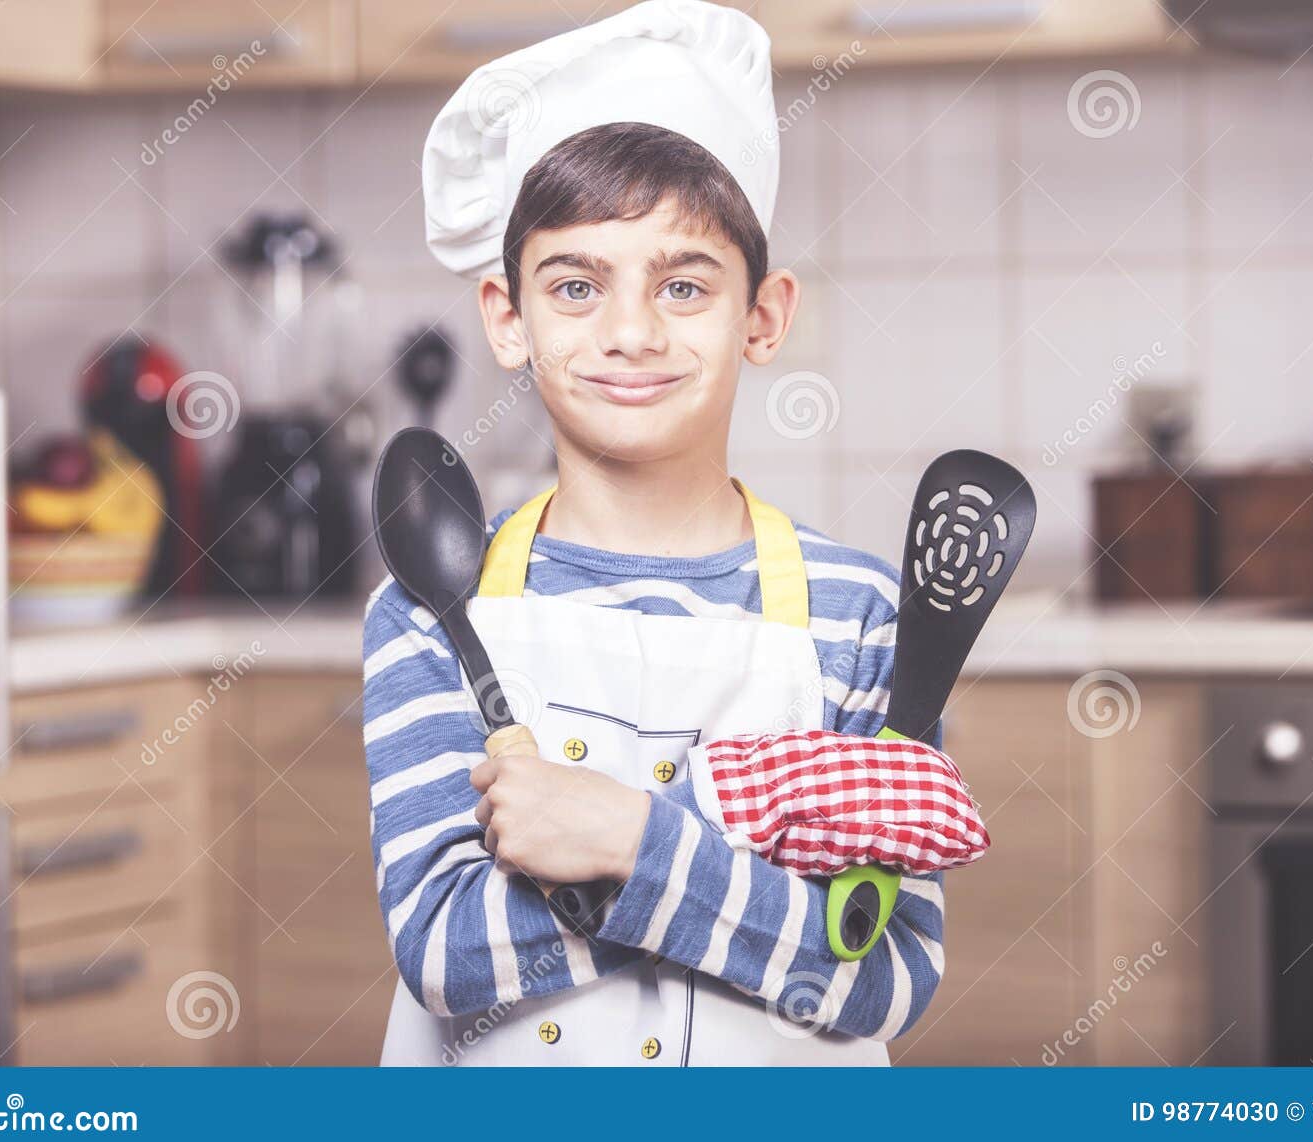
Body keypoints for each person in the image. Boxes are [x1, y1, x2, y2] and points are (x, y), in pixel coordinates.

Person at [362, 0, 945, 1066]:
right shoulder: (431, 607)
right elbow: (446, 953)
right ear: (506, 316)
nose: (629, 333)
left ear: (761, 316)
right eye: (575, 286)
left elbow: (883, 975)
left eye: (683, 284)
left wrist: (627, 841)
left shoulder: (860, 615)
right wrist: (762, 899)